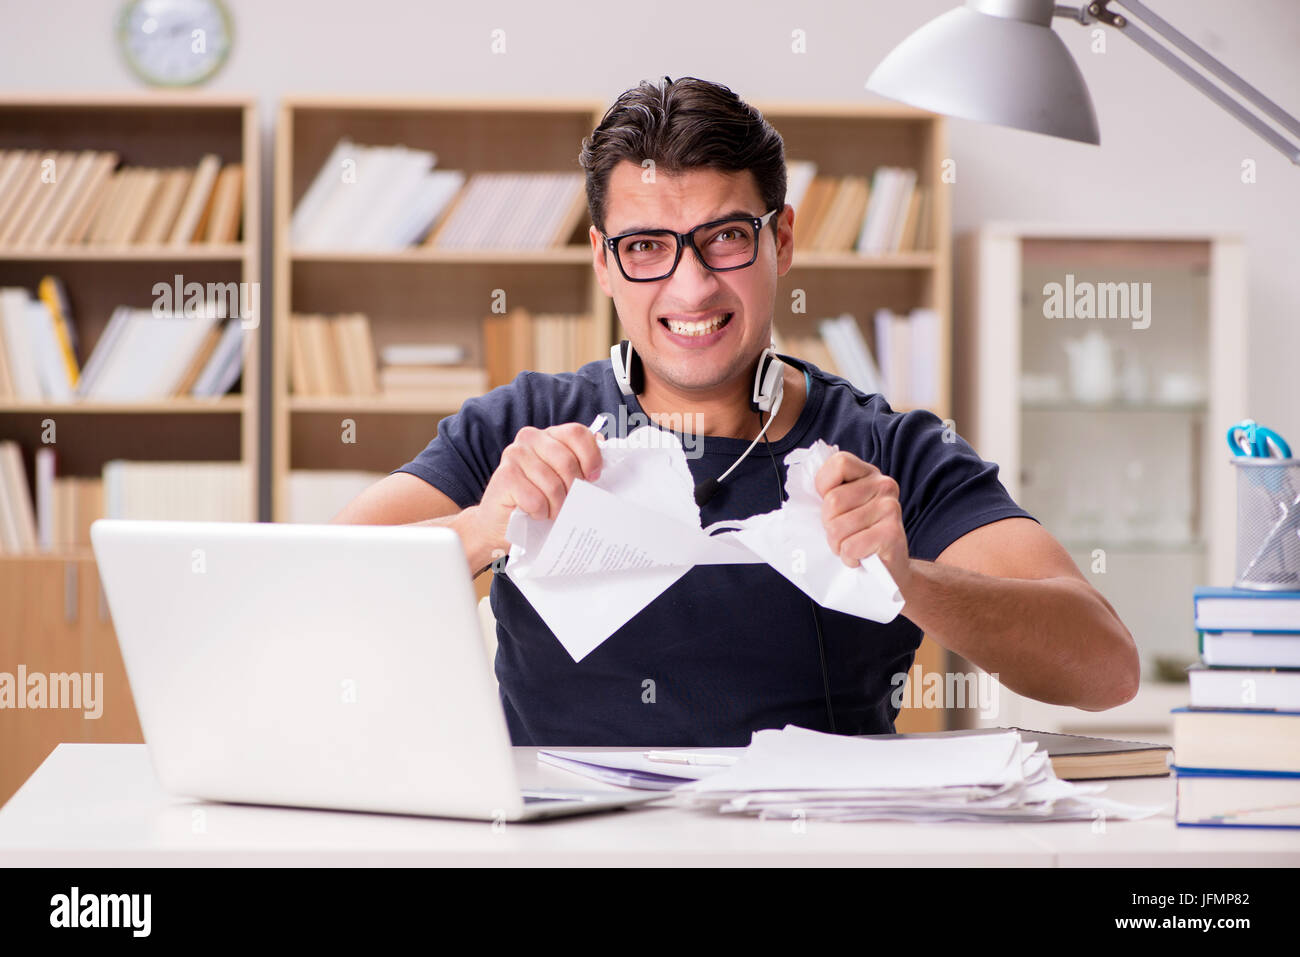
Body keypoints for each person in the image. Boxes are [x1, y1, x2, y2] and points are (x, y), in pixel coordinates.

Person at [332, 76, 1139, 746]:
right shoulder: (521, 432)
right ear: (603, 263)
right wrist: (484, 526)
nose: (690, 288)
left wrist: (907, 578)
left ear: (782, 240)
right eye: (646, 246)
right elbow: (304, 594)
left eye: (724, 238)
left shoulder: (889, 451)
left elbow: (1106, 669)